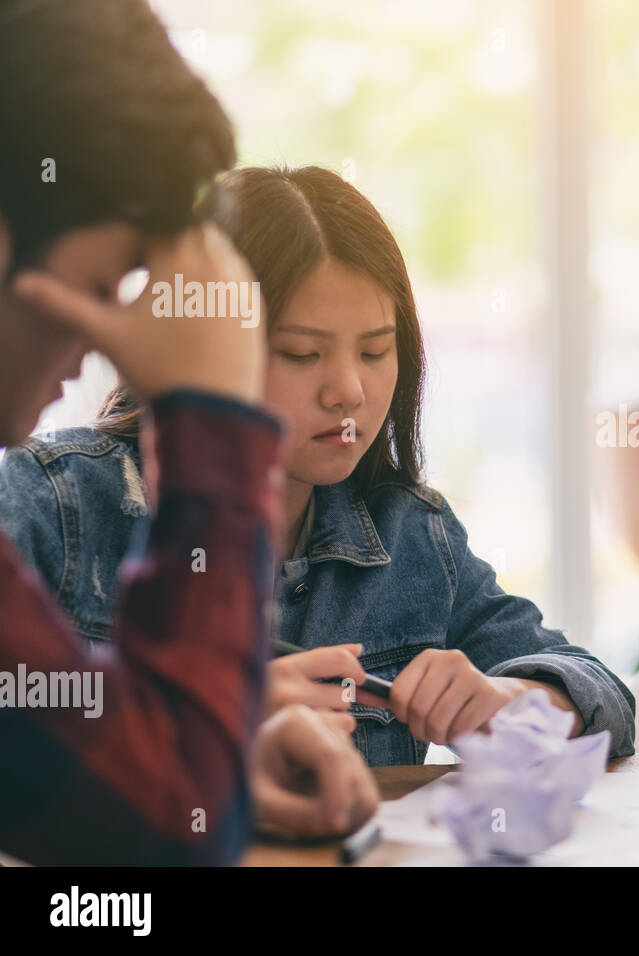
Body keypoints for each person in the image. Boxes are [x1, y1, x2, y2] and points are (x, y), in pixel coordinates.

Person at [0, 165, 637, 766]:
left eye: (375, 350)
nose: (348, 390)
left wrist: (513, 703)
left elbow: (604, 697)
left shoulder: (410, 535)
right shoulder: (56, 506)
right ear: (203, 343)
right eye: (302, 354)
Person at [0, 0, 376, 864]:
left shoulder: (411, 524)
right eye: (101, 284)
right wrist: (213, 421)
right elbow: (171, 833)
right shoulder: (51, 493)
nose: (106, 340)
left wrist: (215, 755)